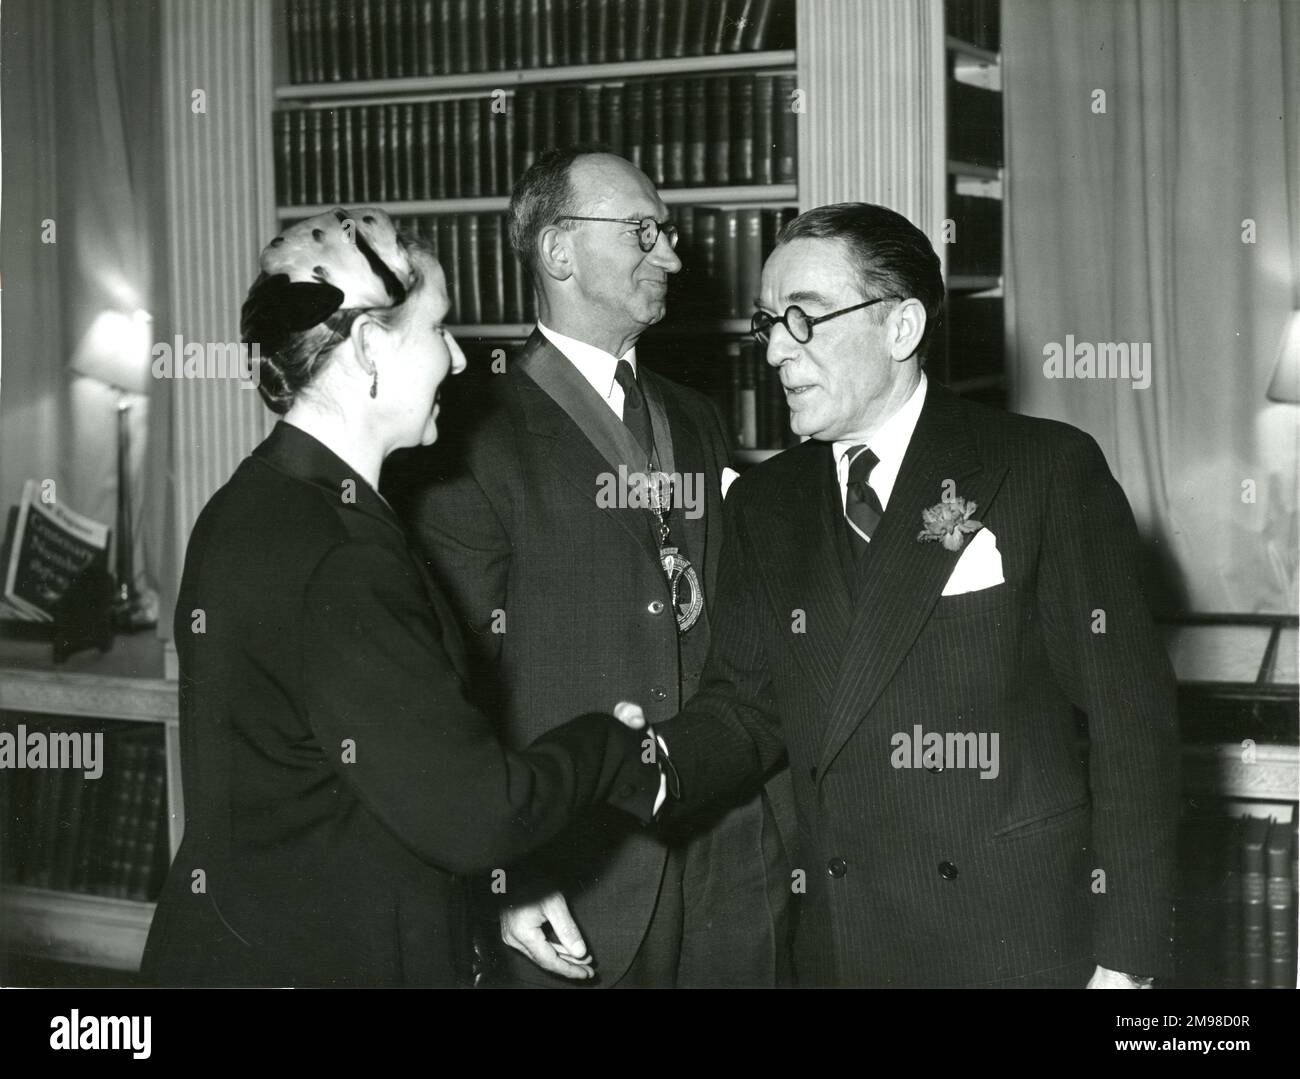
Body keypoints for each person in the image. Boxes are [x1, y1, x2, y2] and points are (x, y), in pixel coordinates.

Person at [618, 202, 1181, 988]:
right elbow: (744, 708)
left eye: (803, 319)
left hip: (1020, 944)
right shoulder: (764, 504)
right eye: (767, 324)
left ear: (902, 327)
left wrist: (1126, 961)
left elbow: (1134, 731)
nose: (775, 350)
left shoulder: (1043, 470)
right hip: (848, 949)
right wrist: (647, 761)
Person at [140, 207, 662, 988]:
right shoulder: (342, 553)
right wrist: (611, 742)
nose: (456, 359)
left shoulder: (252, 500)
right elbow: (479, 811)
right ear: (370, 346)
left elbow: (366, 782)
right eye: (440, 328)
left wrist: (498, 886)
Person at [390, 148, 792, 987]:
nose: (673, 255)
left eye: (670, 232)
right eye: (644, 232)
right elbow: (453, 687)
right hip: (580, 870)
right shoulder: (464, 426)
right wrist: (507, 869)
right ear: (558, 252)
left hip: (732, 858)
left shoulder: (694, 413)